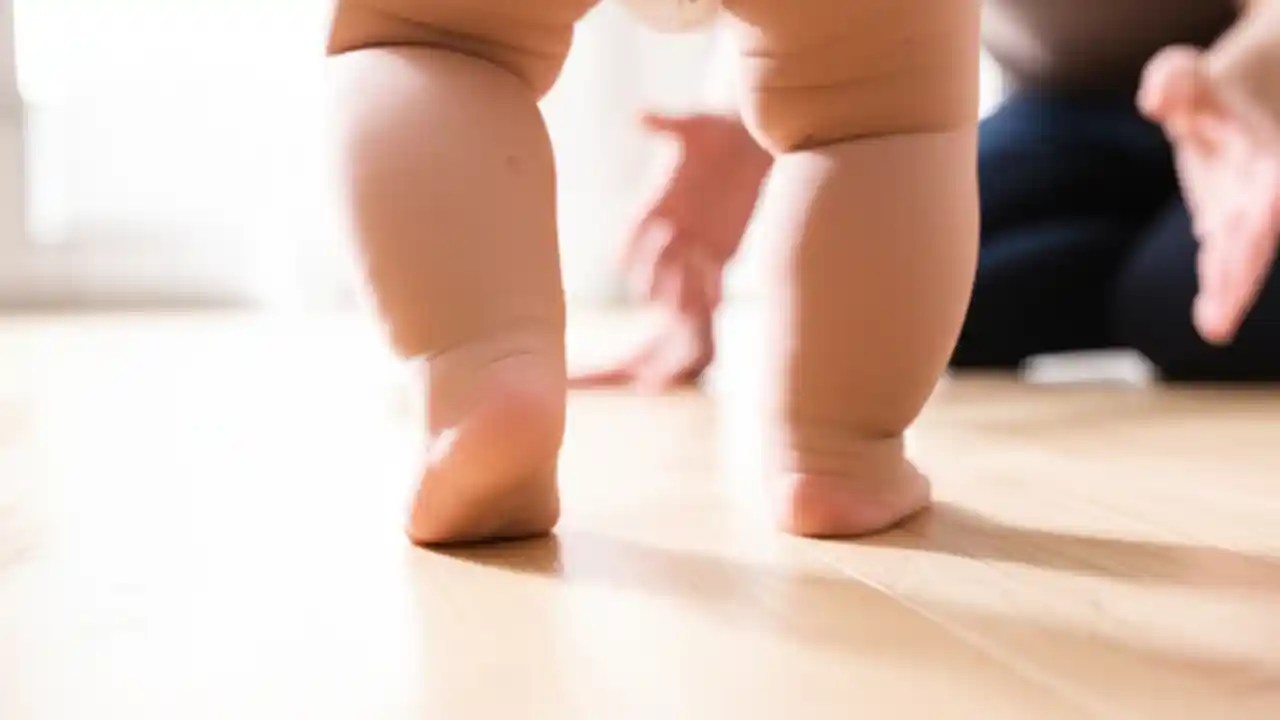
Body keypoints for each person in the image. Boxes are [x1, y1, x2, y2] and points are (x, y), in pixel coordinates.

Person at [574, 0, 1280, 390]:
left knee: (1188, 310)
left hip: (1250, 86)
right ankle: (1151, 250)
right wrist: (739, 129)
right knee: (896, 294)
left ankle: (1158, 273)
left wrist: (1242, 83)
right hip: (1062, 109)